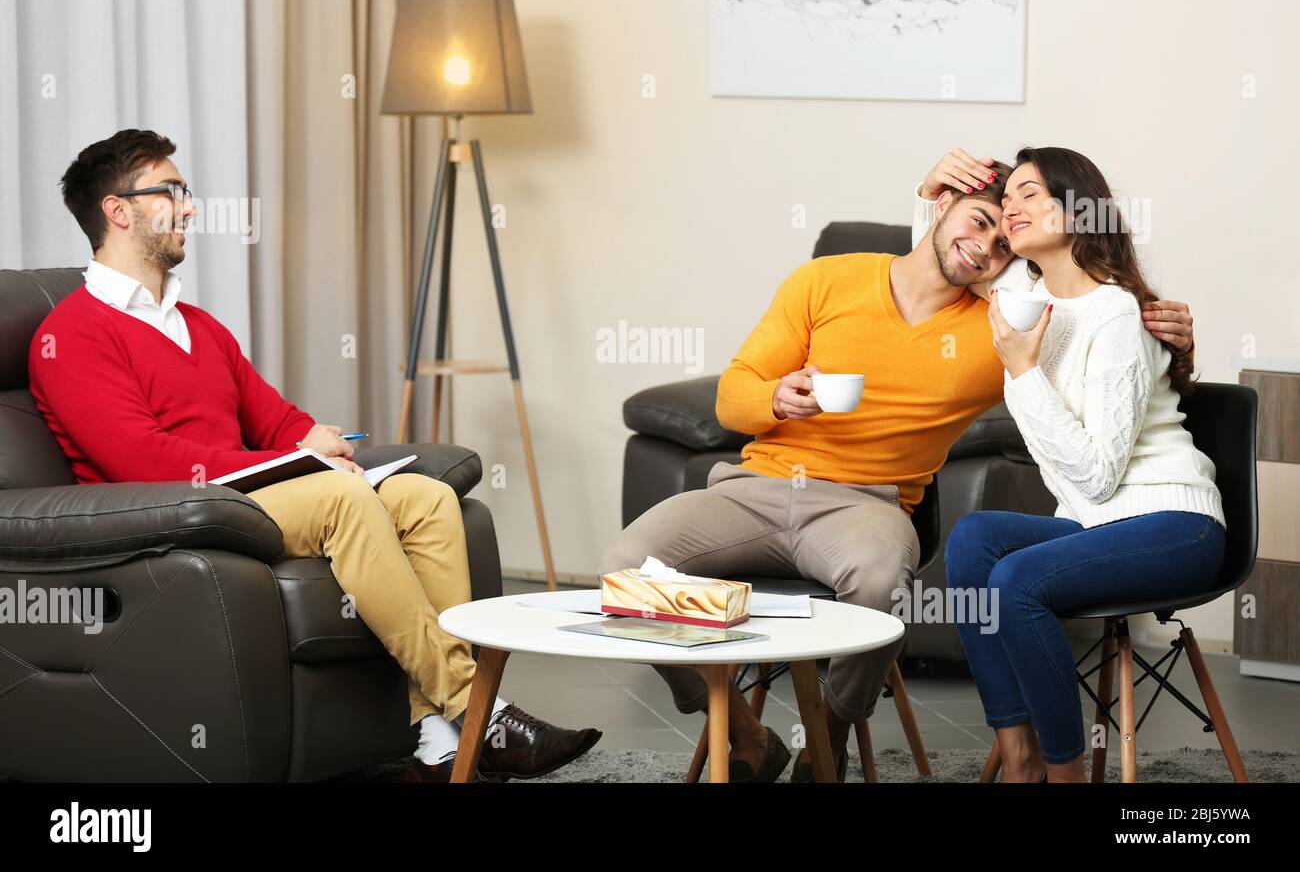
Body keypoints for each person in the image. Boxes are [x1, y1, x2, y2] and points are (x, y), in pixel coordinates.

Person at [601, 150, 1197, 781]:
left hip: (868, 506)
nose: (984, 246)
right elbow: (731, 395)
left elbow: (1097, 346)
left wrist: (1170, 336)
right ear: (939, 208)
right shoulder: (825, 280)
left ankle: (824, 743)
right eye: (976, 220)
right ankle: (744, 735)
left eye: (1003, 240)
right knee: (623, 569)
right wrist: (775, 397)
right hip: (753, 489)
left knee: (881, 579)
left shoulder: (1002, 325)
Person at [29, 129, 601, 783]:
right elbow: (145, 461)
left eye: (185, 192)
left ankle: (440, 745)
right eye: (171, 191)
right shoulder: (71, 334)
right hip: (168, 516)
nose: (189, 207)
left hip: (242, 498)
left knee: (426, 497)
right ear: (118, 210)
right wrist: (293, 465)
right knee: (338, 494)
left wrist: (315, 440)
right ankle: (481, 711)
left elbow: (275, 418)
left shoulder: (199, 326)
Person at [943, 147, 1225, 783]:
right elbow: (944, 258)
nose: (1011, 208)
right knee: (973, 542)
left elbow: (1099, 474)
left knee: (1016, 581)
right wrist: (927, 187)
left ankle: (1066, 778)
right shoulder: (1027, 296)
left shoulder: (1119, 314)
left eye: (1029, 194)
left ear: (1080, 207)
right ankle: (1021, 757)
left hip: (1176, 523)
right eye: (1005, 198)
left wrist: (1021, 370)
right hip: (1097, 526)